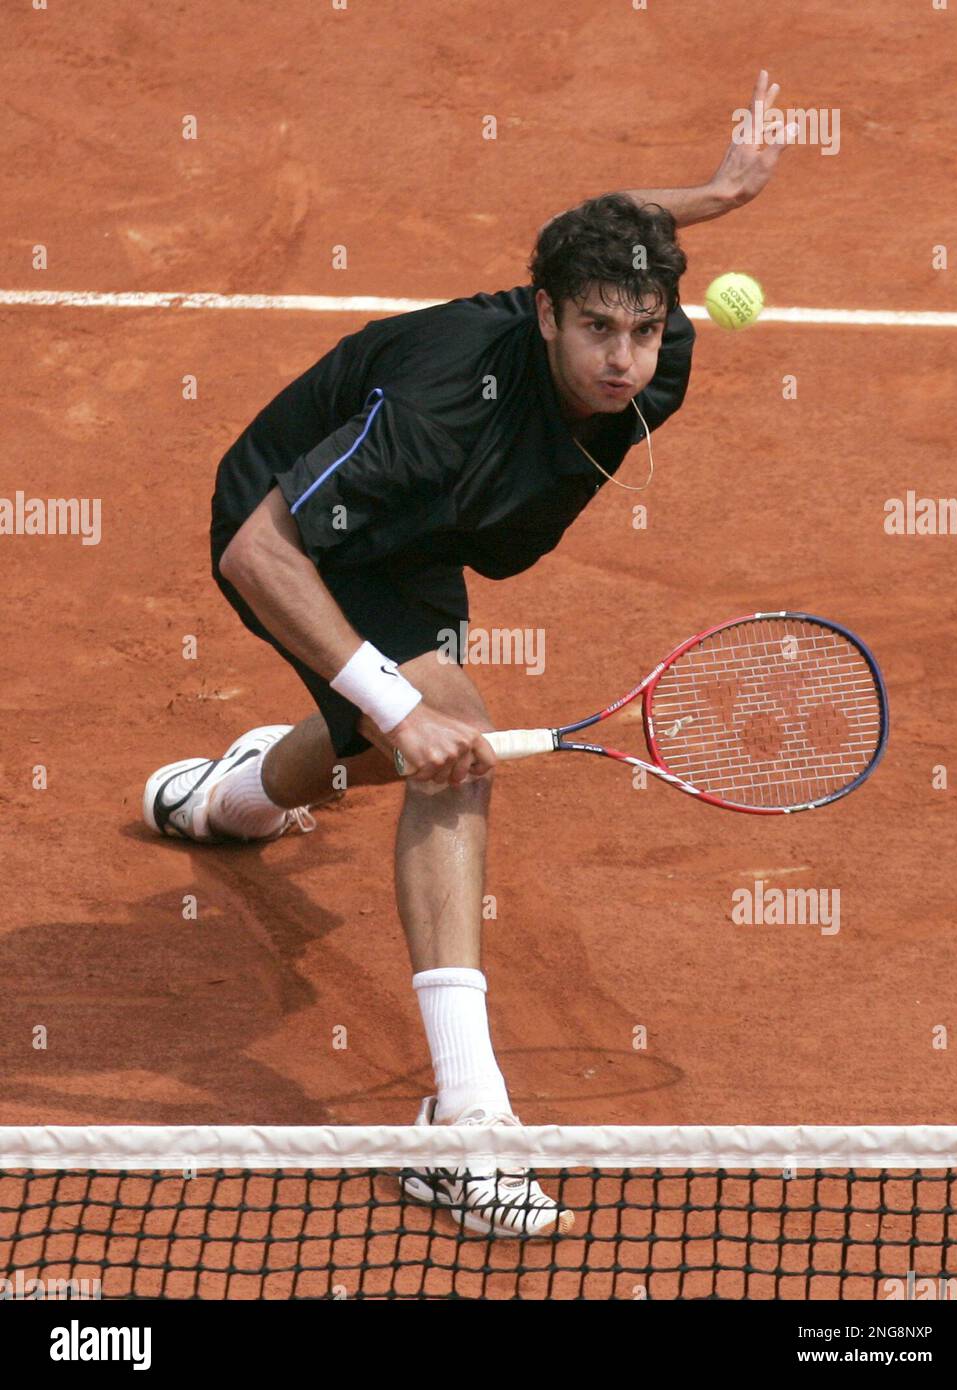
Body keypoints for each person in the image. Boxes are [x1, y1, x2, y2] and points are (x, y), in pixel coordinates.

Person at [143, 72, 793, 1237]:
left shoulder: (656, 360)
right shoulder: (446, 399)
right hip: (298, 526)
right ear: (543, 316)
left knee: (408, 739)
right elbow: (255, 553)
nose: (624, 359)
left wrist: (711, 198)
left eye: (642, 329)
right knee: (449, 748)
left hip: (422, 540)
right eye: (596, 328)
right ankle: (468, 1123)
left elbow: (596, 234)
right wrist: (390, 702)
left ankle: (235, 798)